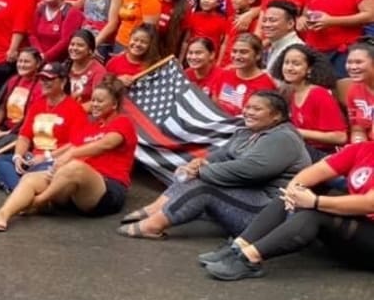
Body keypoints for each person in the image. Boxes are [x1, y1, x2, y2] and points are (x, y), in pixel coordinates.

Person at [117, 91, 310, 239]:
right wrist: (200, 162)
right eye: (248, 107)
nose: (248, 112)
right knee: (194, 173)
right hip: (251, 197)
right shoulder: (248, 132)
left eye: (257, 109)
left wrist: (203, 171)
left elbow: (250, 170)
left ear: (276, 116)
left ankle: (153, 226)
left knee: (204, 185)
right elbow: (222, 154)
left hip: (270, 212)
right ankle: (156, 209)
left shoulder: (283, 138)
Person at [0, 76, 137, 230]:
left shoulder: (122, 123)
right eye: (92, 100)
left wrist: (70, 156)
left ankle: (37, 202)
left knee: (75, 167)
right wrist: (54, 161)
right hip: (72, 187)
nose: (94, 104)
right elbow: (70, 147)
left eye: (100, 101)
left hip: (106, 189)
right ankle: (1, 216)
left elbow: (105, 144)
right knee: (30, 178)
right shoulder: (90, 126)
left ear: (114, 104)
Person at [203, 141, 374, 280]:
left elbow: (370, 203)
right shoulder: (364, 149)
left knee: (313, 213)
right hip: (359, 227)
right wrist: (294, 190)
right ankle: (239, 246)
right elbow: (317, 171)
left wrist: (315, 202)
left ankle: (250, 259)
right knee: (296, 194)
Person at [0, 61, 87, 193]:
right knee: (0, 161)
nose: (45, 82)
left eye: (50, 79)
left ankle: (13, 185)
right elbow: (24, 136)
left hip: (55, 159)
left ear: (63, 82)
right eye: (42, 79)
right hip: (32, 159)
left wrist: (46, 156)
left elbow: (75, 144)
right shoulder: (37, 105)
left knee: (43, 171)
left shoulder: (75, 109)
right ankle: (20, 188)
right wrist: (18, 157)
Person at [269, 44, 347, 161]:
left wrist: (295, 132)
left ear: (309, 69)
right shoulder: (288, 92)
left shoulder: (319, 94)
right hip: (299, 148)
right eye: (287, 63)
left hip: (324, 155)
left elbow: (340, 137)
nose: (289, 68)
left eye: (296, 64)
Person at [206, 33, 277, 116]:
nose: (237, 56)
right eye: (234, 51)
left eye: (243, 52)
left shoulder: (266, 85)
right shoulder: (224, 74)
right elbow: (214, 103)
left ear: (258, 55)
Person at [28, 0, 84, 64]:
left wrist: (46, 57)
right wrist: (39, 54)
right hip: (39, 58)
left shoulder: (72, 13)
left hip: (60, 62)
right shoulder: (40, 9)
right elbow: (32, 34)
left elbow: (66, 40)